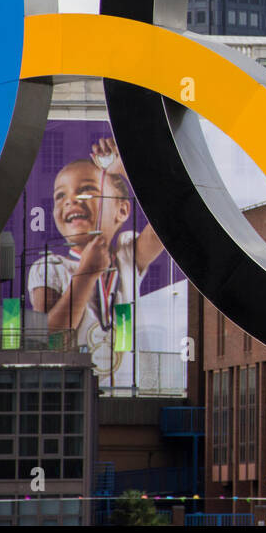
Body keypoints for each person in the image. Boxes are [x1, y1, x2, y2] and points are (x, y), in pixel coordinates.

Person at [27, 137, 164, 384]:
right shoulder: (50, 268)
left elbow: (165, 224)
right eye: (60, 196)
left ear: (122, 210)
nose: (71, 200)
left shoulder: (127, 256)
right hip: (68, 390)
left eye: (87, 190)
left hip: (126, 391)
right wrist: (86, 275)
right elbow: (49, 337)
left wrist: (124, 169)